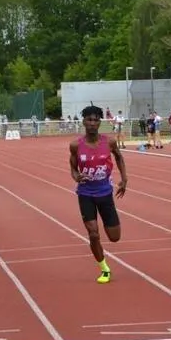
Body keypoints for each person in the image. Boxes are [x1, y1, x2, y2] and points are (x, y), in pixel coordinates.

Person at [70, 105, 128, 284]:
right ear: (84, 122)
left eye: (95, 120)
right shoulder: (75, 145)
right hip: (86, 194)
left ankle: (106, 224)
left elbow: (119, 157)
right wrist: (77, 176)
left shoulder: (109, 142)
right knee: (93, 234)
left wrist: (124, 179)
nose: (92, 123)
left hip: (105, 193)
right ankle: (104, 268)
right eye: (89, 120)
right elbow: (72, 167)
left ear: (99, 122)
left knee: (114, 237)